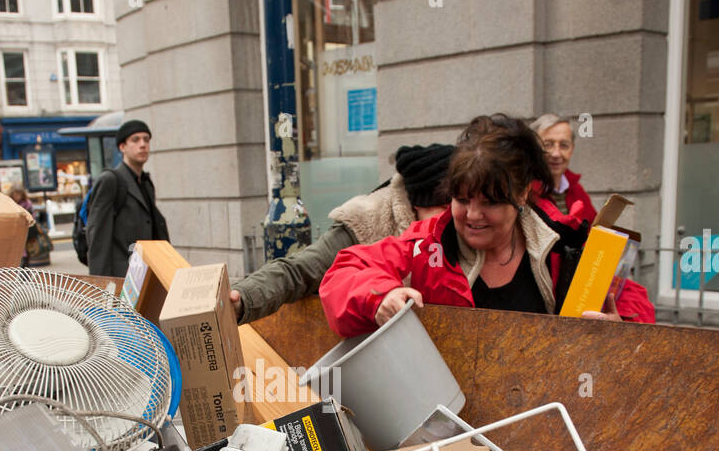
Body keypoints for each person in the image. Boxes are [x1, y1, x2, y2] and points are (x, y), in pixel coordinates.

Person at [319, 115, 656, 337]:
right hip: (458, 424)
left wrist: (621, 329)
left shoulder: (564, 246)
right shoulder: (428, 245)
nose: (473, 215)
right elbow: (345, 274)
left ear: (522, 194)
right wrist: (380, 297)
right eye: (462, 199)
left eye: (490, 202)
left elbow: (633, 301)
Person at [229, 144, 453, 323]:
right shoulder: (367, 221)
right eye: (444, 208)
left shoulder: (465, 225)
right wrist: (243, 300)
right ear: (417, 204)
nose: (452, 216)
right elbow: (300, 271)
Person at [85, 119, 170, 279]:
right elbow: (98, 236)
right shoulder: (110, 180)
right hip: (121, 277)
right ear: (122, 147)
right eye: (135, 140)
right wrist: (101, 286)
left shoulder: (145, 183)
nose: (143, 144)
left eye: (146, 139)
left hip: (145, 275)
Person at [529, 113, 596, 225]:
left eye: (564, 145)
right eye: (548, 145)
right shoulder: (525, 192)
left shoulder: (577, 190)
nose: (556, 154)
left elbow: (596, 230)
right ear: (534, 148)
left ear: (572, 149)